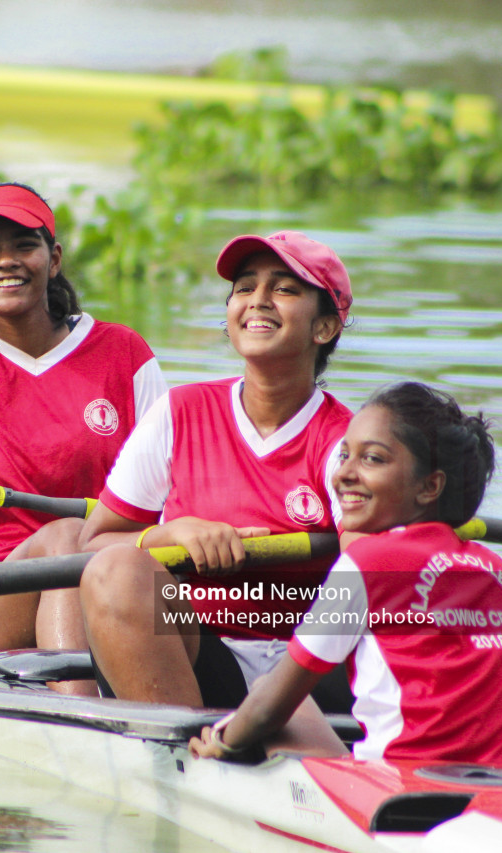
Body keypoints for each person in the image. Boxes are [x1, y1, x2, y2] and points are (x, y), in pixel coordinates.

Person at [188, 382, 502, 764]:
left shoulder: (363, 565)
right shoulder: (495, 569)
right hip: (501, 788)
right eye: (345, 454)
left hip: (401, 793)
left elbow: (271, 706)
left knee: (264, 688)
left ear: (429, 487)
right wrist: (487, 666)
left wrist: (222, 743)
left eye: (372, 458)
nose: (343, 474)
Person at [77, 231, 352, 727]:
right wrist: (169, 534)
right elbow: (90, 545)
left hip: (309, 672)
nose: (258, 301)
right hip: (199, 656)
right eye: (245, 287)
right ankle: (184, 749)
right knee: (115, 572)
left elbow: (378, 574)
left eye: (285, 289)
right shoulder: (180, 411)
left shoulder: (349, 441)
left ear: (325, 327)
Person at [0, 182, 168, 668]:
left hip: (111, 579)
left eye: (25, 245)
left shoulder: (125, 352)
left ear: (55, 258)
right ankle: (82, 717)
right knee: (65, 539)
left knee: (74, 544)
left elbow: (167, 497)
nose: (6, 261)